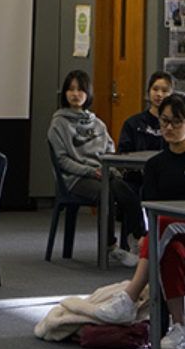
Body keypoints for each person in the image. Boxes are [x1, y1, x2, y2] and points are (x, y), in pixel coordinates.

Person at [94, 93, 185, 349]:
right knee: (170, 251)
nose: (168, 128)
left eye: (176, 122)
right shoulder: (156, 164)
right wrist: (154, 232)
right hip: (170, 235)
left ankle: (130, 296)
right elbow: (152, 206)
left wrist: (153, 232)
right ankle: (181, 327)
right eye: (164, 121)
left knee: (162, 227)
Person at [48, 69, 143, 267]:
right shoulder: (59, 123)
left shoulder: (97, 123)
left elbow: (110, 150)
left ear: (88, 93)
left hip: (103, 173)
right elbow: (63, 161)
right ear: (64, 93)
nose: (75, 94)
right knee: (104, 193)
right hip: (75, 178)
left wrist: (110, 171)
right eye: (71, 89)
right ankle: (110, 247)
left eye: (80, 89)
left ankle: (138, 242)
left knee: (128, 192)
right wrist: (91, 171)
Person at [117, 71, 174, 195]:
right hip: (137, 177)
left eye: (164, 91)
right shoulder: (133, 123)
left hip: (167, 177)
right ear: (149, 91)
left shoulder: (176, 124)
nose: (159, 94)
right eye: (155, 89)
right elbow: (123, 152)